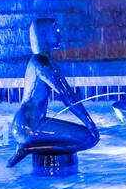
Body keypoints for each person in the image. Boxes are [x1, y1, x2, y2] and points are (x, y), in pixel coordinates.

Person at [7, 18, 100, 167]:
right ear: (44, 35)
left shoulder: (36, 61)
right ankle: (29, 147)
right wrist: (90, 123)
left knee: (82, 136)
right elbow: (67, 96)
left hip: (26, 124)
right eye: (56, 30)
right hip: (29, 127)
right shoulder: (43, 63)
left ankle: (28, 147)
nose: (60, 35)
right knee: (90, 138)